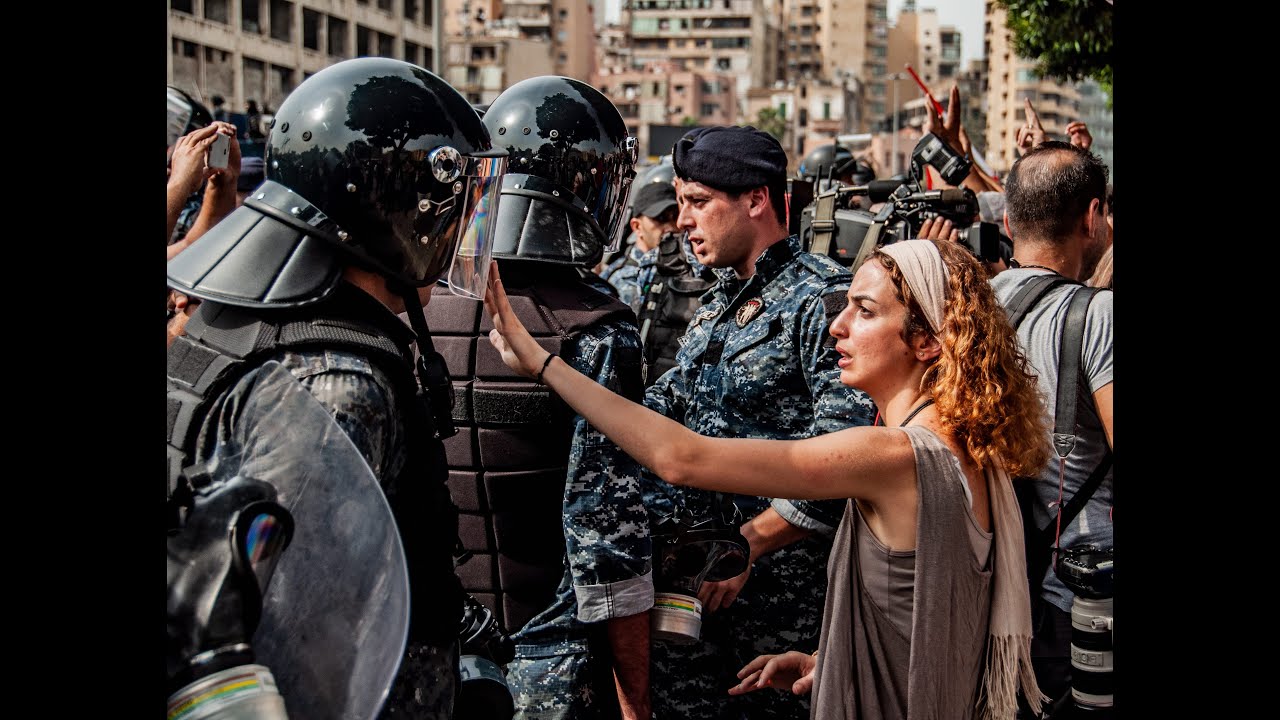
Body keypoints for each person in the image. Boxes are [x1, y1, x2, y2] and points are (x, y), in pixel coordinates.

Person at [483, 235, 1050, 720]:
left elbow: (682, 457)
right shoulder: (963, 445)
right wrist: (828, 665)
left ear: (927, 341)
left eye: (866, 311)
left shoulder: (895, 455)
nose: (837, 326)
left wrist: (545, 365)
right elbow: (923, 627)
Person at [166, 57, 508, 719]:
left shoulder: (233, 319)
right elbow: (289, 624)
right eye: (451, 206)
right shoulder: (337, 385)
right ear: (400, 211)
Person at [426, 74, 653, 720]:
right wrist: (637, 701)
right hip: (548, 668)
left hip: (432, 652)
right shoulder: (596, 328)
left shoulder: (419, 303)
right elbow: (607, 546)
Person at [629, 125, 876, 719]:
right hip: (696, 596)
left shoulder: (822, 299)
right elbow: (669, 406)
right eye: (681, 203)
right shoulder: (717, 301)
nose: (684, 220)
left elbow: (846, 451)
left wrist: (751, 543)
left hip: (780, 608)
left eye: (698, 202)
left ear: (756, 201)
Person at [994, 140, 1113, 710]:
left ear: (1009, 220)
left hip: (1001, 596)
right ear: (1093, 217)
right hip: (1086, 603)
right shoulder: (1099, 315)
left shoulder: (971, 309)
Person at [601, 180, 680, 313]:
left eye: (675, 217)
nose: (671, 227)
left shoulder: (687, 267)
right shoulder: (621, 278)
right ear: (637, 227)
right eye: (660, 218)